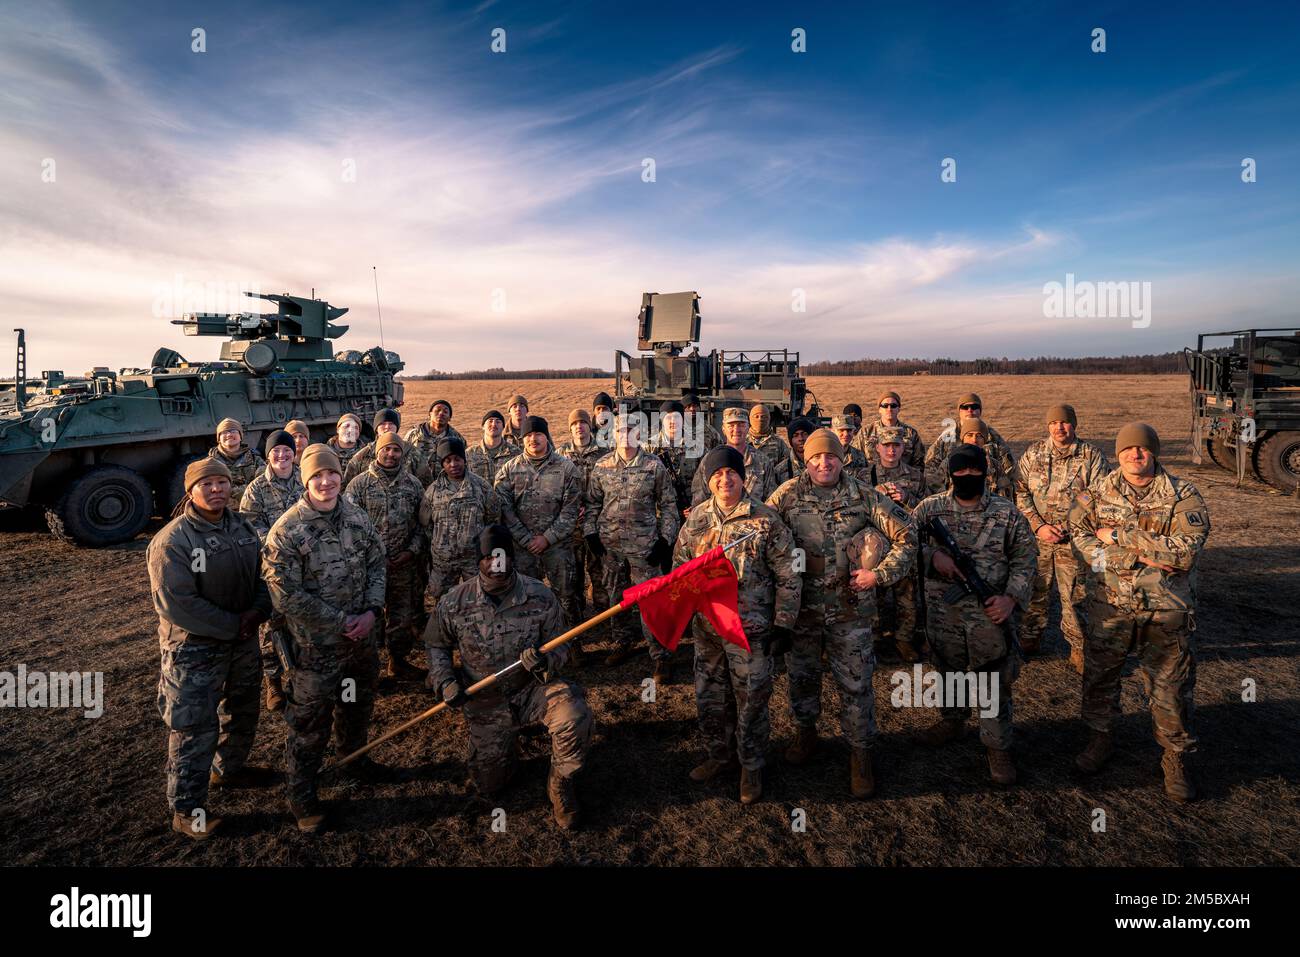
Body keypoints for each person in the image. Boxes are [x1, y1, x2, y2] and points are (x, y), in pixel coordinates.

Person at [767, 429, 917, 798]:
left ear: (841, 458)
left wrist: (878, 575)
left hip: (850, 610)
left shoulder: (864, 496)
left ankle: (860, 753)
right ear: (806, 460)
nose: (823, 463)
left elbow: (908, 535)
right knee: (801, 677)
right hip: (801, 611)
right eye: (816, 457)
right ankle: (806, 734)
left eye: (830, 456)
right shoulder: (786, 496)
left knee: (856, 683)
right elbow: (761, 535)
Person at [1069, 424, 1209, 802]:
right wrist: (1142, 556)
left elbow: (1185, 553)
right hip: (1108, 606)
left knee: (1170, 687)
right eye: (1128, 448)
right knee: (1100, 678)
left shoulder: (1183, 495)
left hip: (1165, 610)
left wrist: (1117, 536)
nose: (1135, 454)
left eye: (1143, 449)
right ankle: (1100, 738)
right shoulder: (1095, 493)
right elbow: (1081, 542)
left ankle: (1175, 757)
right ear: (1117, 453)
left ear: (1154, 452)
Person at [425, 525, 592, 829]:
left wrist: (545, 662)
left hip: (533, 689)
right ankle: (506, 744)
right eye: (489, 557)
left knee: (573, 715)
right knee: (490, 784)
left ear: (513, 558)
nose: (496, 564)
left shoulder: (540, 596)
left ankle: (561, 785)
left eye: (502, 556)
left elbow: (562, 644)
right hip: (486, 699)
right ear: (479, 561)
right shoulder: (454, 602)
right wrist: (446, 681)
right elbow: (436, 644)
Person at [262, 443, 389, 833]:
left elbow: (376, 562)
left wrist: (371, 612)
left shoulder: (356, 517)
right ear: (306, 480)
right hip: (316, 650)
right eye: (317, 475)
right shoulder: (286, 530)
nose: (327, 481)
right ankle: (302, 796)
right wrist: (341, 621)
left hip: (359, 642)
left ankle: (354, 757)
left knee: (355, 702)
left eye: (332, 473)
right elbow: (285, 595)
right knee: (309, 723)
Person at [147, 458, 271, 840]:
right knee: (194, 728)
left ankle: (229, 768)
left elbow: (262, 576)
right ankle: (187, 810)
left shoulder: (242, 528)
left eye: (222, 482)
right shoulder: (173, 540)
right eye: (208, 484)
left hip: (242, 642)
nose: (217, 489)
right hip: (194, 650)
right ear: (191, 490)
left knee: (243, 710)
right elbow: (177, 603)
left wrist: (256, 611)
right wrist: (234, 625)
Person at [675, 446, 800, 803]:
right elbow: (680, 570)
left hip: (751, 632)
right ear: (708, 480)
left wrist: (784, 623)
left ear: (742, 477)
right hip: (708, 632)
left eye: (731, 473)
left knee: (752, 701)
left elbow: (789, 572)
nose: (725, 479)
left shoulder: (765, 519)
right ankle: (721, 756)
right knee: (711, 699)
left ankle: (752, 766)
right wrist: (683, 613)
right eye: (717, 475)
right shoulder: (697, 520)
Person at [911, 443, 1037, 786]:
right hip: (943, 611)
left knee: (991, 678)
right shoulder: (929, 510)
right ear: (950, 473)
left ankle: (997, 745)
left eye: (975, 471)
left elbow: (1026, 559)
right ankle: (952, 720)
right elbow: (905, 545)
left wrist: (1010, 599)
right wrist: (931, 558)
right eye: (961, 471)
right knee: (948, 669)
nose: (968, 476)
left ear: (985, 472)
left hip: (989, 612)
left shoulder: (1007, 513)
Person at [584, 412, 681, 680]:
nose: (625, 435)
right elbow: (592, 504)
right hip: (611, 549)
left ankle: (661, 655)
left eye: (630, 430)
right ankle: (622, 642)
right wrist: (591, 534)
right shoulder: (602, 466)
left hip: (645, 550)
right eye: (620, 431)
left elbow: (669, 506)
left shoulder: (653, 467)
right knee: (617, 597)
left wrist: (664, 541)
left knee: (652, 602)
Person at [1014, 404, 1110, 668]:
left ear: (1074, 425)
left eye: (1065, 422)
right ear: (1048, 426)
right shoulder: (1034, 453)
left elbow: (1101, 497)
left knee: (1075, 596)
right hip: (1038, 540)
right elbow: (1019, 491)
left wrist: (1070, 527)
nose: (1059, 427)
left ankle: (1079, 648)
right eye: (1054, 423)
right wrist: (1038, 526)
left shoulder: (1091, 456)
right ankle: (1029, 639)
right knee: (1034, 591)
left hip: (1075, 542)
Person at [344, 432, 427, 683]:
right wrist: (373, 556)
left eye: (396, 450)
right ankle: (368, 671)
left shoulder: (413, 485)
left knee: (401, 617)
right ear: (377, 451)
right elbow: (348, 526)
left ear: (402, 453)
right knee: (368, 617)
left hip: (403, 565)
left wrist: (410, 551)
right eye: (386, 449)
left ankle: (397, 662)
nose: (391, 454)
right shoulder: (359, 485)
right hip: (369, 568)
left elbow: (423, 526)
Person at [240, 429, 305, 712]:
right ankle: (274, 683)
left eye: (286, 450)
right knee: (272, 627)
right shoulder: (255, 489)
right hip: (272, 567)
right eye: (276, 450)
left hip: (307, 565)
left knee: (303, 621)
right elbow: (250, 527)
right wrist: (283, 543)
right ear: (268, 454)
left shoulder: (308, 479)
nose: (282, 455)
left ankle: (302, 677)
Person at [494, 415, 582, 617]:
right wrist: (526, 539)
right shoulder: (509, 470)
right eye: (528, 435)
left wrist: (547, 538)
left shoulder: (567, 469)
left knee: (566, 598)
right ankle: (532, 641)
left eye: (538, 434)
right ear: (522, 439)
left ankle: (569, 642)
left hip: (558, 548)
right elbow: (505, 511)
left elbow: (571, 510)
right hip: (523, 550)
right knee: (525, 597)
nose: (533, 439)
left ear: (546, 436)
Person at [420, 435, 502, 618]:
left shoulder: (481, 487)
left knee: (479, 601)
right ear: (442, 464)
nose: (453, 464)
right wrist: (438, 546)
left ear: (464, 460)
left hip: (474, 559)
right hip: (443, 562)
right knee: (443, 603)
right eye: (448, 460)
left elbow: (493, 519)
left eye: (457, 459)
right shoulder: (432, 491)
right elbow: (425, 525)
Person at [871, 426, 927, 661]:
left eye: (896, 445)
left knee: (908, 595)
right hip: (876, 547)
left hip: (907, 544)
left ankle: (904, 640)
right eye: (887, 445)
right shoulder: (866, 475)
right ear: (877, 448)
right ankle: (875, 639)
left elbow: (927, 510)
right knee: (875, 596)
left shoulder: (916, 476)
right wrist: (876, 493)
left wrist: (907, 499)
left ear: (904, 448)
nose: (891, 450)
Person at [556, 408, 609, 649]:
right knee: (573, 578)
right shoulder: (559, 455)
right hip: (570, 528)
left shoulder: (604, 453)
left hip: (597, 525)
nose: (579, 427)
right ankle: (575, 627)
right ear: (570, 428)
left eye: (583, 423)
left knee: (599, 575)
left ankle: (603, 621)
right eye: (575, 424)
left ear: (590, 427)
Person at [690, 408, 777, 507]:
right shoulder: (710, 460)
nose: (736, 430)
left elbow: (771, 500)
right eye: (731, 425)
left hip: (754, 520)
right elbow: (699, 499)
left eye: (741, 425)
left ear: (748, 428)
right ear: (723, 429)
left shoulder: (762, 461)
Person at [924, 393, 1014, 479]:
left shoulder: (992, 436)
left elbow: (1009, 469)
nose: (970, 410)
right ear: (959, 411)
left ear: (980, 411)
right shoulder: (947, 437)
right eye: (965, 407)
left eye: (974, 407)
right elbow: (929, 468)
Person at [343, 408, 414, 485]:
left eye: (391, 423)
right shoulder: (364, 455)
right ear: (376, 429)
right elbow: (347, 485)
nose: (387, 427)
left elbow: (425, 482)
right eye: (383, 424)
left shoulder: (410, 451)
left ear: (397, 427)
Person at [855, 391, 925, 469]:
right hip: (871, 479)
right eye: (885, 406)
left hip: (903, 478)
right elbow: (856, 458)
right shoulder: (866, 432)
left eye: (893, 405)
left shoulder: (911, 433)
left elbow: (919, 463)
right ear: (879, 409)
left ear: (899, 409)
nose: (889, 409)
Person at [403, 399, 463, 485]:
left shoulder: (456, 438)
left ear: (449, 418)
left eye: (445, 412)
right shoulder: (414, 434)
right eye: (437, 410)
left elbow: (462, 464)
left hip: (444, 487)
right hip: (416, 485)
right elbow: (402, 459)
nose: (441, 413)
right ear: (430, 414)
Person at [209, 417, 264, 506]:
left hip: (252, 506)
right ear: (218, 438)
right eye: (225, 432)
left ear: (240, 436)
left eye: (233, 431)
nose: (229, 434)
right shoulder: (210, 463)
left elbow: (263, 482)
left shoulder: (255, 459)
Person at [466, 409, 519, 484]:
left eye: (498, 422)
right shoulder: (469, 454)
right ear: (483, 426)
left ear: (503, 427)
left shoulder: (515, 453)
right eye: (490, 421)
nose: (494, 424)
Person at [748, 404, 792, 485]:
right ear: (750, 419)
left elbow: (785, 472)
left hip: (771, 491)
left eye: (764, 417)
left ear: (769, 419)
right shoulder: (742, 441)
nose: (760, 419)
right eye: (756, 416)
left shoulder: (779, 443)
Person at [831, 414, 873, 481]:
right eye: (841, 430)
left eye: (849, 430)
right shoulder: (824, 456)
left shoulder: (859, 456)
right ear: (832, 431)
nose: (846, 434)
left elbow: (865, 483)